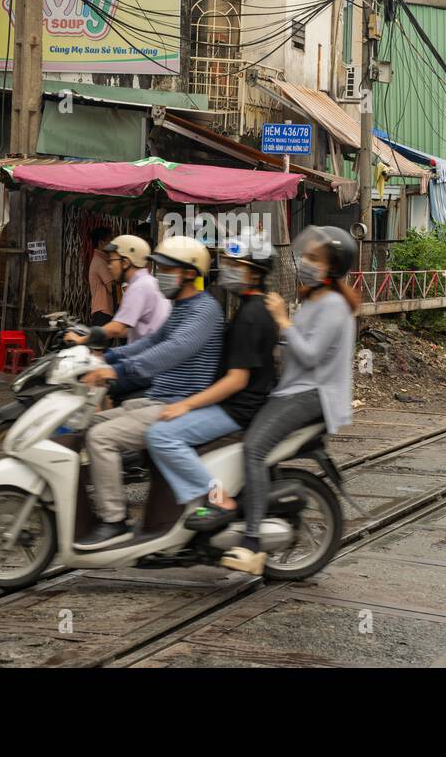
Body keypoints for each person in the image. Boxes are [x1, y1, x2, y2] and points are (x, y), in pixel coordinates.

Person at [220, 225, 360, 576]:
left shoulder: (332, 305)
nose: (306, 262)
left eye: (315, 258)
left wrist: (283, 321)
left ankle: (251, 543)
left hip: (311, 395)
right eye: (307, 255)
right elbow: (296, 347)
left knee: (253, 448)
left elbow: (310, 354)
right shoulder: (315, 298)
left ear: (332, 267)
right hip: (293, 389)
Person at [76, 235, 225, 549]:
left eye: (167, 269)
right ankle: (105, 503)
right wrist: (108, 356)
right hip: (159, 397)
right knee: (91, 425)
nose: (160, 275)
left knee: (101, 438)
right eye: (159, 267)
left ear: (188, 272)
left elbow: (172, 350)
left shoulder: (204, 310)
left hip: (182, 405)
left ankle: (115, 520)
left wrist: (116, 371)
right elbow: (150, 343)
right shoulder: (182, 307)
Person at [144, 232, 280, 528]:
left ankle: (219, 499)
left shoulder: (251, 317)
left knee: (162, 436)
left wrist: (186, 406)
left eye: (236, 263)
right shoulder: (248, 307)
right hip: (237, 404)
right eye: (227, 261)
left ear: (254, 273)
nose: (227, 268)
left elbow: (236, 381)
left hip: (237, 408)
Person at [64, 235, 171, 398]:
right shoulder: (147, 282)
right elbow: (126, 330)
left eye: (112, 261)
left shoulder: (138, 287)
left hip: (146, 363)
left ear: (126, 262)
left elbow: (116, 329)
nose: (109, 266)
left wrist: (81, 340)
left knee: (92, 382)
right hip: (147, 357)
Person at [88, 227, 116, 327]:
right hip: (103, 311)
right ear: (101, 243)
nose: (113, 244)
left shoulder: (102, 260)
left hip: (103, 310)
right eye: (110, 240)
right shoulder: (100, 262)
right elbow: (112, 287)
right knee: (102, 342)